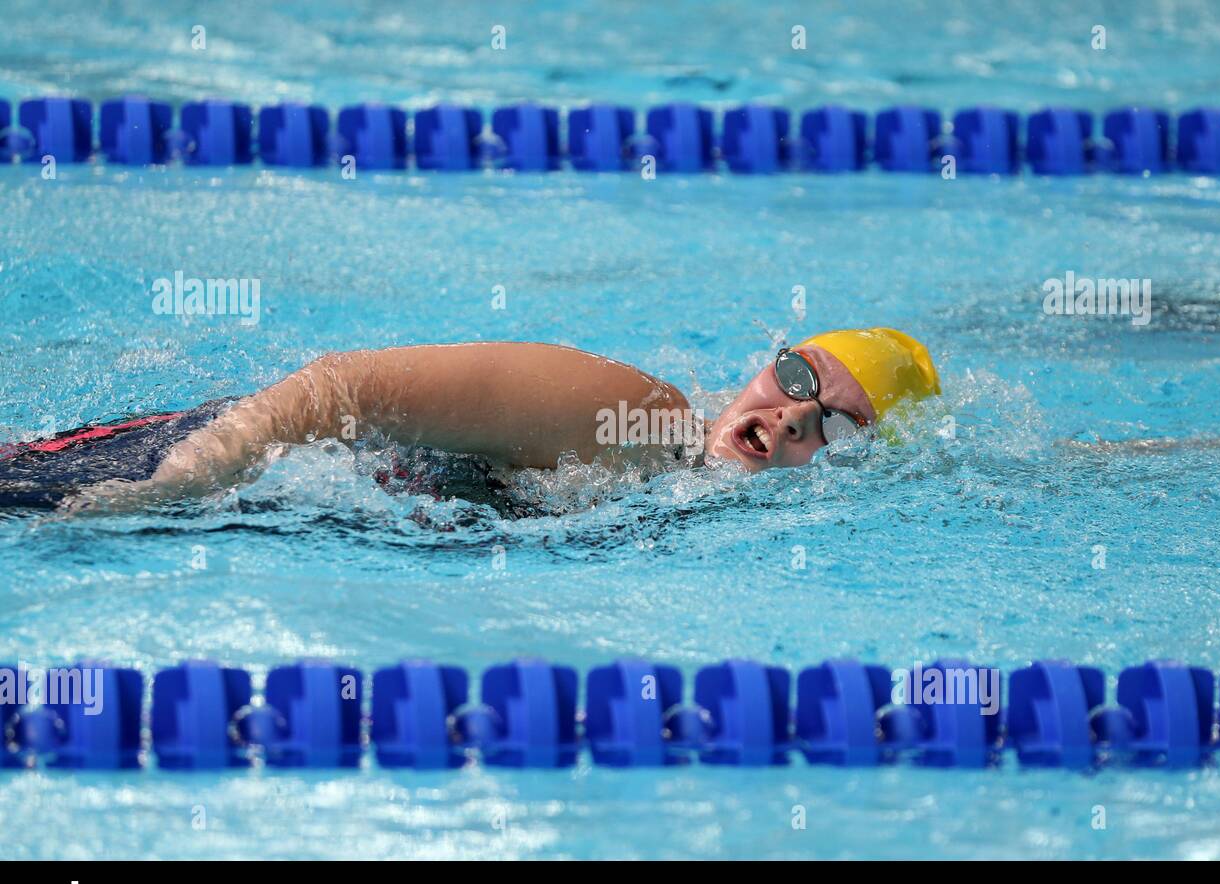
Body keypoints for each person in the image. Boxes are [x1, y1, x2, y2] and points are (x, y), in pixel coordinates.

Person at [0, 327, 941, 512]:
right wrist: (189, 477)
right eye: (796, 376)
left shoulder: (677, 499)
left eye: (838, 429)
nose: (790, 420)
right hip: (206, 460)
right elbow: (343, 387)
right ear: (764, 354)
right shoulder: (637, 420)